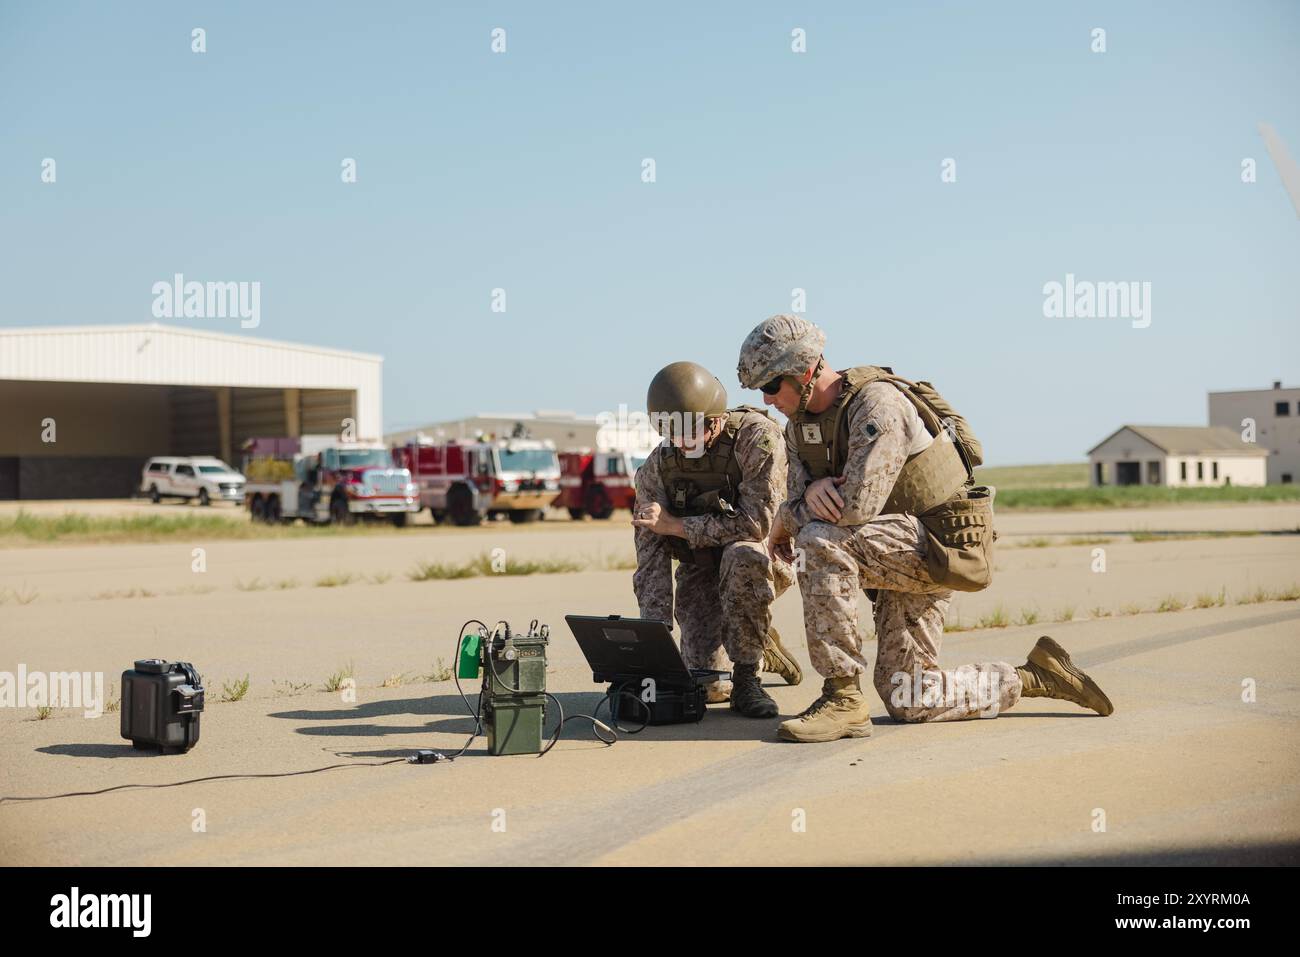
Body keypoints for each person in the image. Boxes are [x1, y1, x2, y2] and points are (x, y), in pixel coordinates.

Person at [735, 315, 1114, 742]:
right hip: (888, 548)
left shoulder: (877, 406)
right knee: (910, 699)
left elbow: (856, 505)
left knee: (818, 540)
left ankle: (842, 697)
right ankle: (1035, 677)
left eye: (771, 387)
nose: (767, 401)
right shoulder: (798, 428)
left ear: (803, 372)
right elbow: (801, 497)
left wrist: (793, 515)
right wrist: (805, 500)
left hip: (937, 544)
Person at [631, 361, 802, 718]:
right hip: (701, 571)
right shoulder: (657, 467)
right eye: (672, 434)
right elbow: (650, 559)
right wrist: (656, 641)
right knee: (707, 688)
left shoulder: (757, 439)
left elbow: (757, 525)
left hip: (763, 561)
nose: (681, 444)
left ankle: (748, 677)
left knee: (742, 555)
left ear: (715, 419)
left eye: (690, 432)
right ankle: (759, 640)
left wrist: (678, 526)